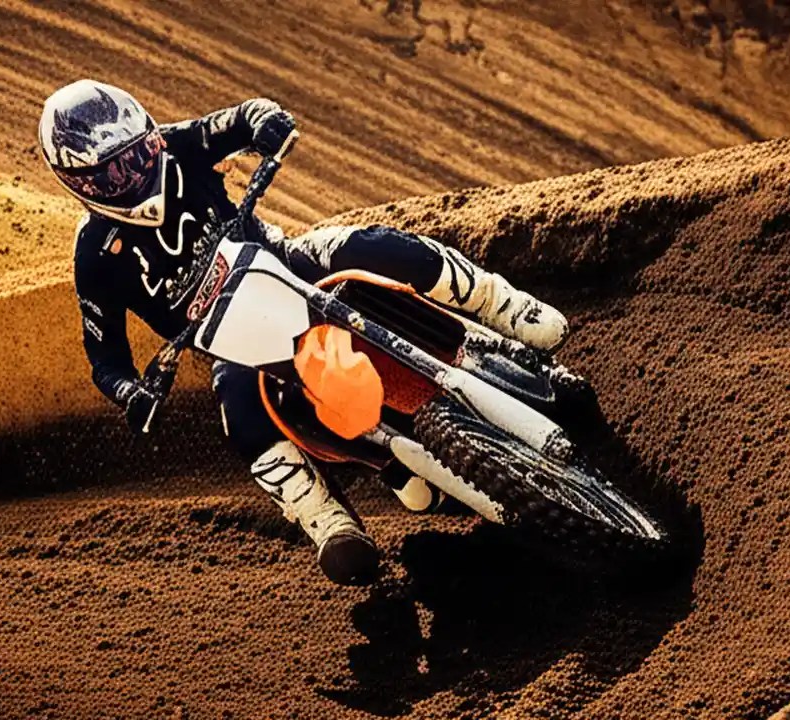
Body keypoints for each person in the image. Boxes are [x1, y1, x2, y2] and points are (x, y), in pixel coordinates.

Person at [39, 80, 568, 586]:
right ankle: (325, 520)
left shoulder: (179, 146)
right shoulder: (95, 258)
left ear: (151, 135)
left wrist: (266, 120)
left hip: (283, 262)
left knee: (373, 248)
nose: (135, 173)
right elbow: (104, 357)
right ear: (79, 183)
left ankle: (504, 307)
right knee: (239, 413)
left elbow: (240, 117)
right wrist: (130, 390)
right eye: (113, 173)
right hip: (233, 341)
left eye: (140, 153)